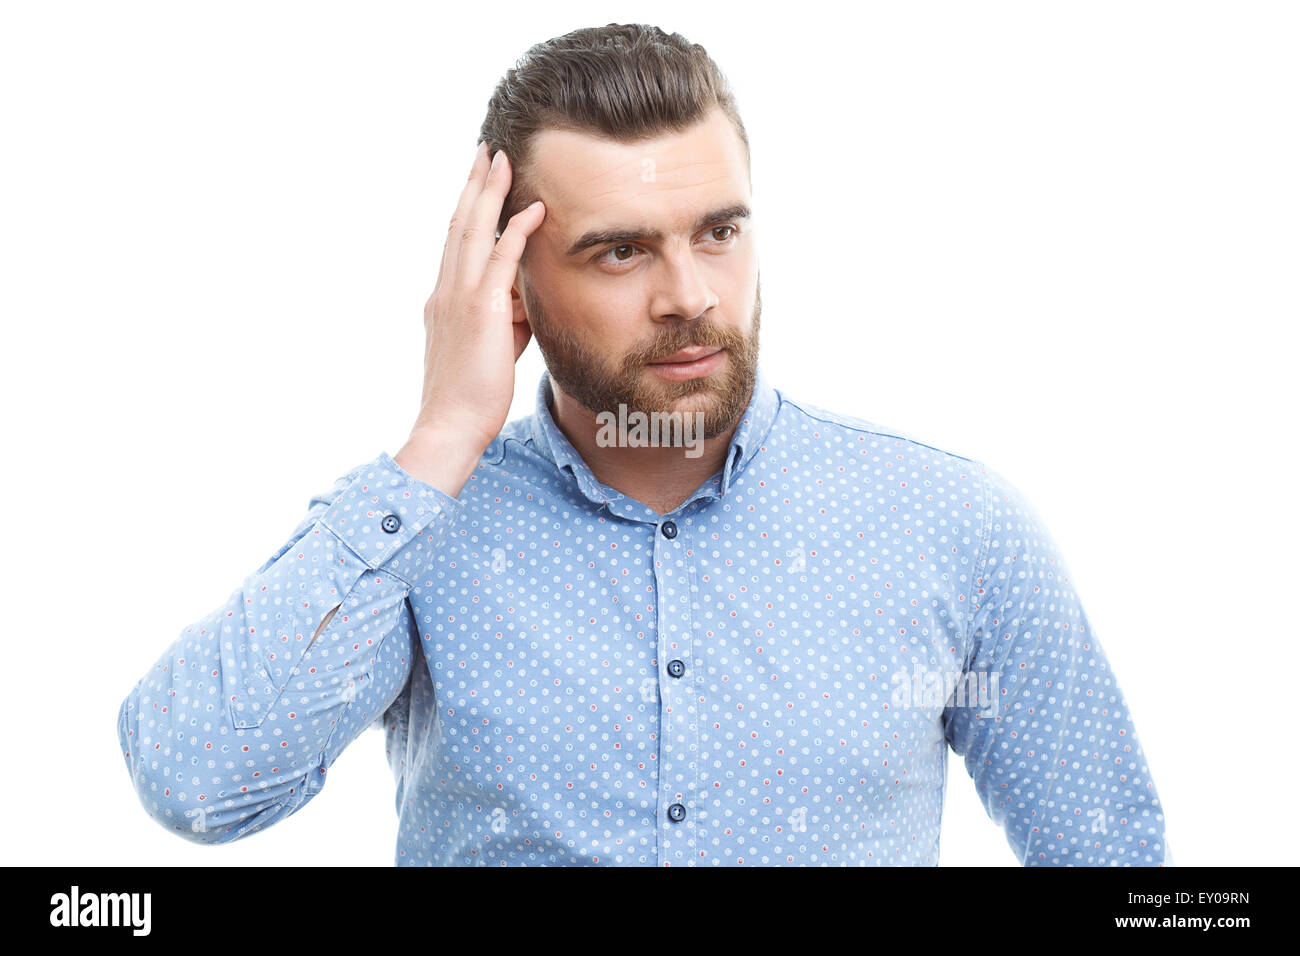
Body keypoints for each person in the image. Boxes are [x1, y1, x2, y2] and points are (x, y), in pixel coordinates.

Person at [116, 22, 1171, 866]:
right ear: (510, 280)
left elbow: (1114, 862)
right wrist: (441, 435)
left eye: (719, 231)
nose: (691, 296)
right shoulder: (418, 529)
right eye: (619, 251)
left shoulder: (954, 526)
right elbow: (198, 782)